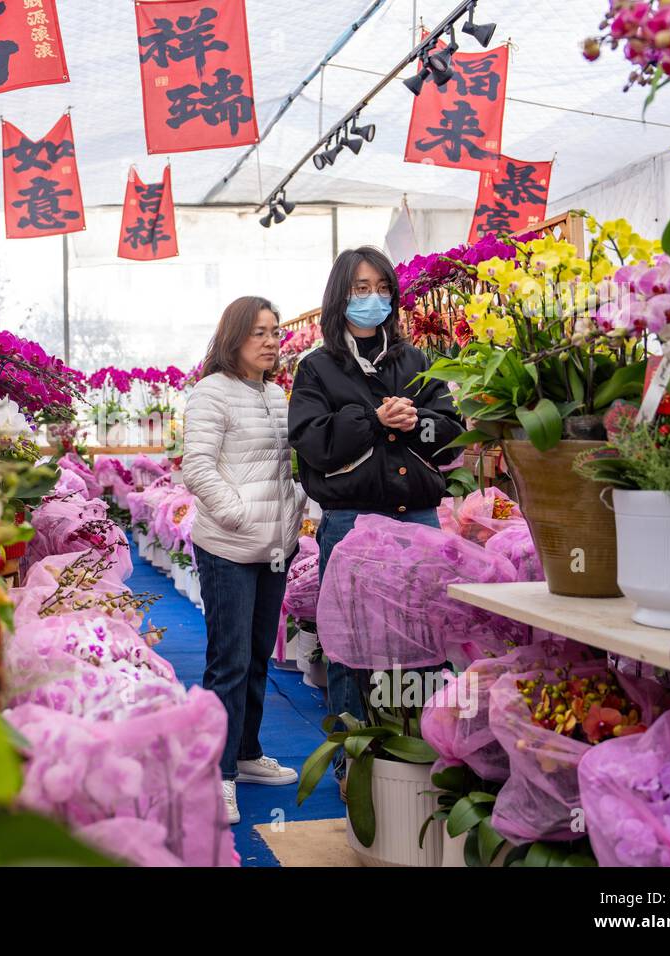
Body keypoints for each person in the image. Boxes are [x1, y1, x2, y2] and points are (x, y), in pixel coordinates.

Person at [288, 247, 463, 740]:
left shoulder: (414, 359)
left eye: (382, 288)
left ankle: (423, 746)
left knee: (425, 633)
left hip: (417, 519)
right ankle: (355, 758)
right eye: (361, 289)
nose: (373, 298)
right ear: (340, 296)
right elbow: (313, 444)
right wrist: (372, 421)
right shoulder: (317, 368)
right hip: (352, 523)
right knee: (351, 643)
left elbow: (451, 430)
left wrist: (417, 422)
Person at [182, 295, 307, 825]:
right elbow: (197, 467)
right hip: (229, 548)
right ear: (233, 336)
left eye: (275, 331)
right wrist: (237, 515)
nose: (272, 340)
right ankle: (218, 774)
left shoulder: (279, 396)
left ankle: (247, 753)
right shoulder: (211, 393)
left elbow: (290, 467)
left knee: (258, 656)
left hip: (275, 549)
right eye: (259, 331)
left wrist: (299, 507)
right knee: (228, 662)